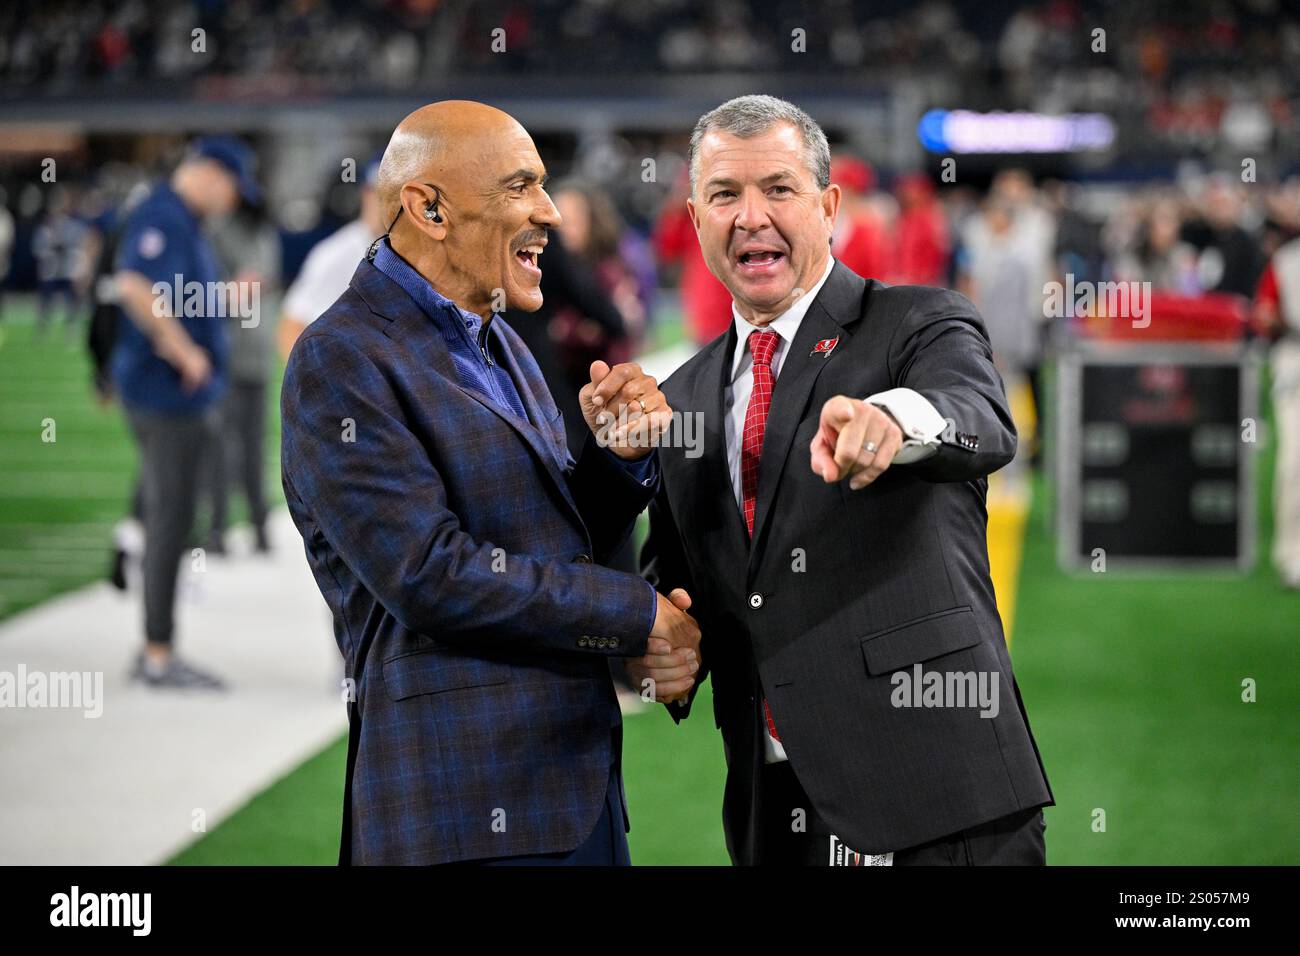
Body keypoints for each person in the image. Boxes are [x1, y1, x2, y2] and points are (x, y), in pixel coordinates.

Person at [633, 95, 1053, 866]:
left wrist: (893, 423)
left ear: (828, 207)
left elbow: (978, 418)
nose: (751, 216)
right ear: (696, 221)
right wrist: (655, 648)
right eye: (725, 195)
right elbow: (680, 583)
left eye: (779, 189)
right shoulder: (682, 395)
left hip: (939, 792)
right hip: (775, 812)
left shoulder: (919, 322)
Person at [279, 100, 700, 866]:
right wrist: (636, 613)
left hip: (572, 792)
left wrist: (614, 461)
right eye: (520, 187)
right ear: (429, 207)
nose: (548, 212)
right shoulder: (340, 357)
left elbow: (543, 540)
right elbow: (430, 574)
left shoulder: (497, 336)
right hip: (459, 811)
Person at [111, 137, 259, 689]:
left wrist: (219, 303)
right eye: (230, 187)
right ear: (210, 173)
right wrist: (184, 351)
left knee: (171, 516)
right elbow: (134, 285)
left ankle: (157, 645)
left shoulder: (183, 221)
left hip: (178, 394)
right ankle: (157, 654)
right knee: (169, 521)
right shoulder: (163, 214)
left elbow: (177, 293)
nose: (231, 201)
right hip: (165, 393)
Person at [277, 154, 385, 360]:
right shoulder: (338, 252)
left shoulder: (414, 251)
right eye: (379, 194)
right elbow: (292, 323)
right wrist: (313, 382)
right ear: (366, 194)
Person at [33, 188, 90, 337]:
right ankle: (43, 326)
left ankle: (71, 326)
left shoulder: (74, 225)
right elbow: (38, 247)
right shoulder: (46, 227)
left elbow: (81, 243)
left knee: (71, 299)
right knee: (46, 299)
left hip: (67, 269)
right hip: (51, 269)